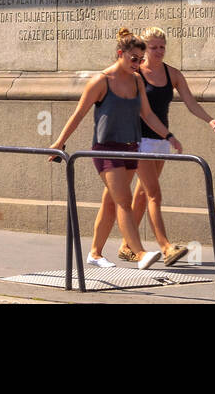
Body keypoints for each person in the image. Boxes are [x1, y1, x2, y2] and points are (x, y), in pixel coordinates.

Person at [47, 28, 182, 270]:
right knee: (124, 199)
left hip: (131, 148)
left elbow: (147, 115)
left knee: (111, 202)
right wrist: (59, 142)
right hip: (106, 149)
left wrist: (169, 136)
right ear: (120, 53)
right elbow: (79, 114)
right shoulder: (101, 81)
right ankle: (139, 253)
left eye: (141, 60)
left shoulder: (137, 81)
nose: (137, 64)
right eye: (133, 59)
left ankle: (95, 253)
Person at [112, 26, 215, 266]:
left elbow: (191, 102)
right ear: (145, 48)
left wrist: (209, 119)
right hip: (137, 140)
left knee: (142, 195)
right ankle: (166, 247)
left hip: (160, 142)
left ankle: (126, 246)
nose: (159, 51)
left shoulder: (172, 74)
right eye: (153, 47)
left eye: (162, 47)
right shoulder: (136, 73)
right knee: (153, 193)